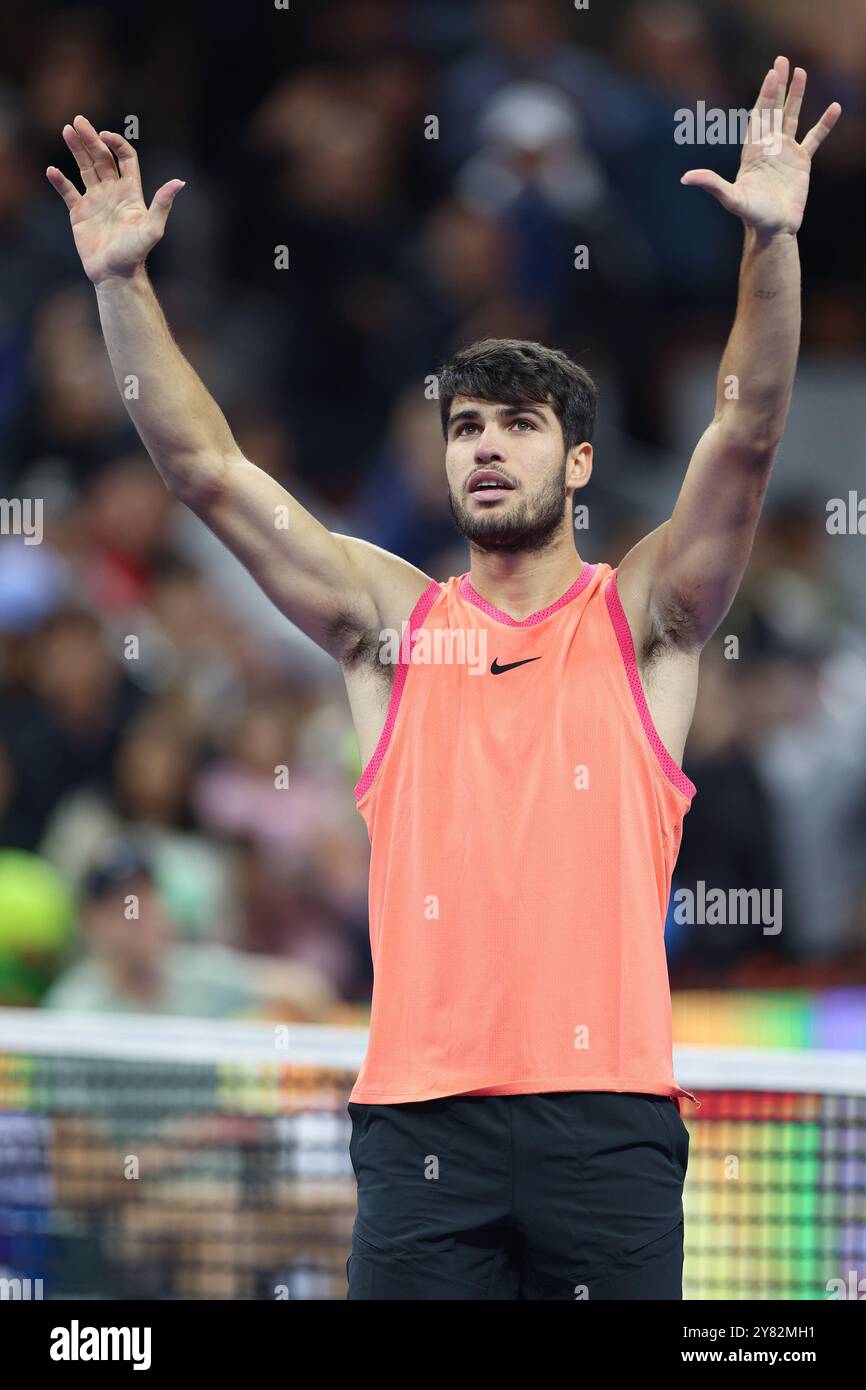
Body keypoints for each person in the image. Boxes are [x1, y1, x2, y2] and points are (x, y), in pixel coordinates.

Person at [47, 56, 840, 1299]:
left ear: (577, 464)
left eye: (516, 425)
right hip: (421, 1126)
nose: (482, 447)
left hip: (608, 1122)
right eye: (464, 425)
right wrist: (121, 284)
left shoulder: (644, 622)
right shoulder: (388, 626)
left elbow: (743, 433)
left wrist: (769, 247)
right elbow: (205, 470)